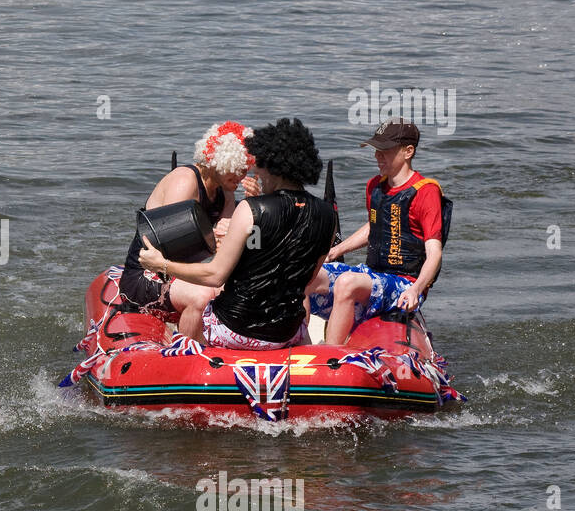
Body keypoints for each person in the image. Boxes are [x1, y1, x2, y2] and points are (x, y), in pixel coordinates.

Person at [138, 118, 335, 350]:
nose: (256, 174)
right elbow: (307, 279)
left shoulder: (251, 209)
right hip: (287, 333)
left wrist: (162, 265)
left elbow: (215, 275)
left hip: (235, 329)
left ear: (274, 168)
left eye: (259, 166)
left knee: (202, 303)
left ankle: (183, 363)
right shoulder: (328, 215)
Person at [307, 118, 447, 345]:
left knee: (346, 282)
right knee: (305, 273)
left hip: (405, 282)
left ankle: (331, 357)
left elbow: (435, 253)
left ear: (408, 151)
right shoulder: (374, 186)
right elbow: (375, 225)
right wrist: (335, 251)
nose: (377, 156)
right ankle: (298, 347)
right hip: (373, 275)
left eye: (384, 150)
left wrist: (416, 289)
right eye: (376, 150)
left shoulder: (426, 192)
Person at [119, 120, 262, 341]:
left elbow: (236, 249)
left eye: (247, 169)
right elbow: (172, 247)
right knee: (203, 295)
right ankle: (185, 353)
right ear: (221, 161)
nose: (243, 177)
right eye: (239, 169)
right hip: (147, 273)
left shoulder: (227, 193)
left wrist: (254, 207)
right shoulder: (184, 181)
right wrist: (214, 236)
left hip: (183, 271)